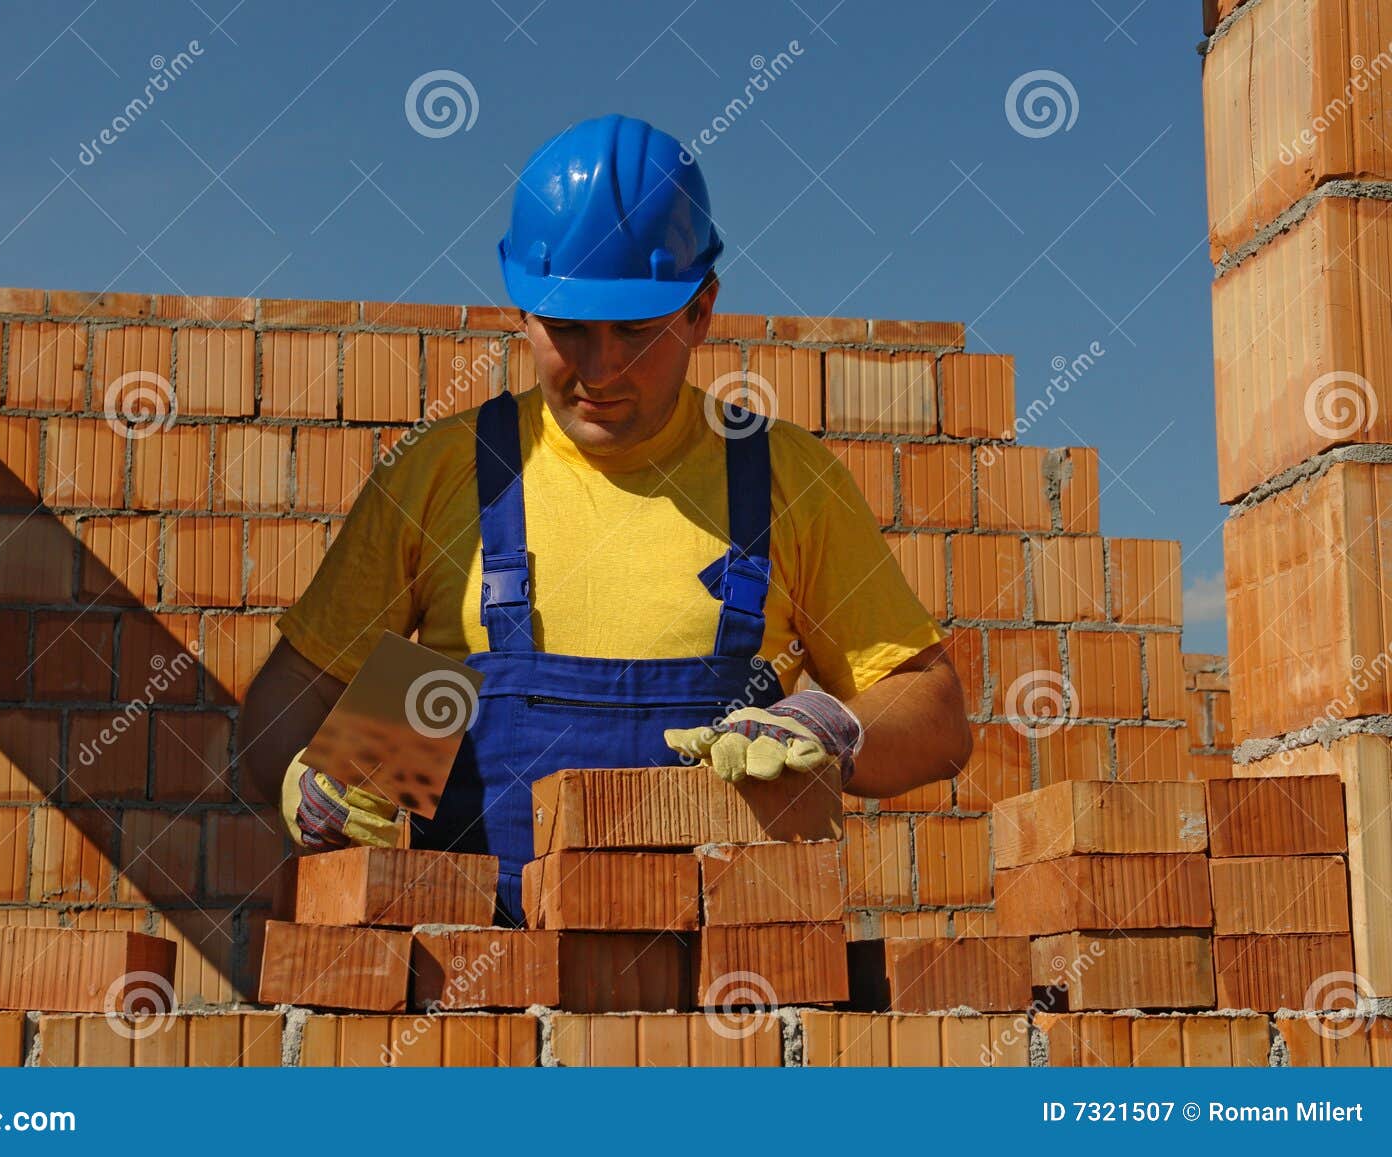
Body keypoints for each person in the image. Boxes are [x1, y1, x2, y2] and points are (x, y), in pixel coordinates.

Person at [238, 112, 972, 924]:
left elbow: (937, 715)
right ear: (522, 309)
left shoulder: (785, 480)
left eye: (635, 329)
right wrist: (315, 784)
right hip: (486, 1001)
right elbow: (283, 714)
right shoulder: (442, 473)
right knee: (412, 695)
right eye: (567, 328)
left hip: (722, 1000)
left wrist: (832, 724)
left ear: (700, 310)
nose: (600, 369)